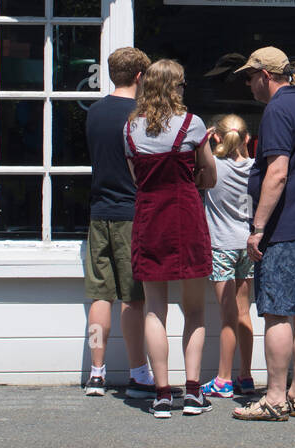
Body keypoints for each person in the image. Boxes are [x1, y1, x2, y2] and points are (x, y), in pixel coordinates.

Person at [232, 47, 295, 422]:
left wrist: (258, 228)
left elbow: (277, 173)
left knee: (275, 312)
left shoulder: (277, 110)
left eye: (249, 76)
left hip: (284, 228)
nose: (247, 83)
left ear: (265, 75)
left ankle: (274, 397)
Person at [123, 59, 218, 419]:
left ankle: (162, 394)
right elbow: (210, 174)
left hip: (150, 220)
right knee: (193, 309)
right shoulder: (192, 124)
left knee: (154, 309)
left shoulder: (131, 128)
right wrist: (197, 176)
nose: (183, 90)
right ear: (174, 87)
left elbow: (137, 178)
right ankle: (193, 391)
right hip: (186, 219)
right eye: (181, 84)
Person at [83, 47, 154, 398]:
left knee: (99, 295)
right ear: (140, 76)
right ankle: (138, 370)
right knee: (132, 298)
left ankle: (97, 371)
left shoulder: (94, 112)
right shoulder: (140, 115)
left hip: (99, 211)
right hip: (130, 212)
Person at [200, 114, 257, 400]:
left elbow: (192, 166)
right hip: (247, 244)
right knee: (244, 313)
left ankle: (223, 379)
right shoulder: (255, 168)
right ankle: (245, 375)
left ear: (217, 137)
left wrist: (204, 141)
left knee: (227, 317)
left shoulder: (213, 167)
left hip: (221, 245)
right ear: (247, 138)